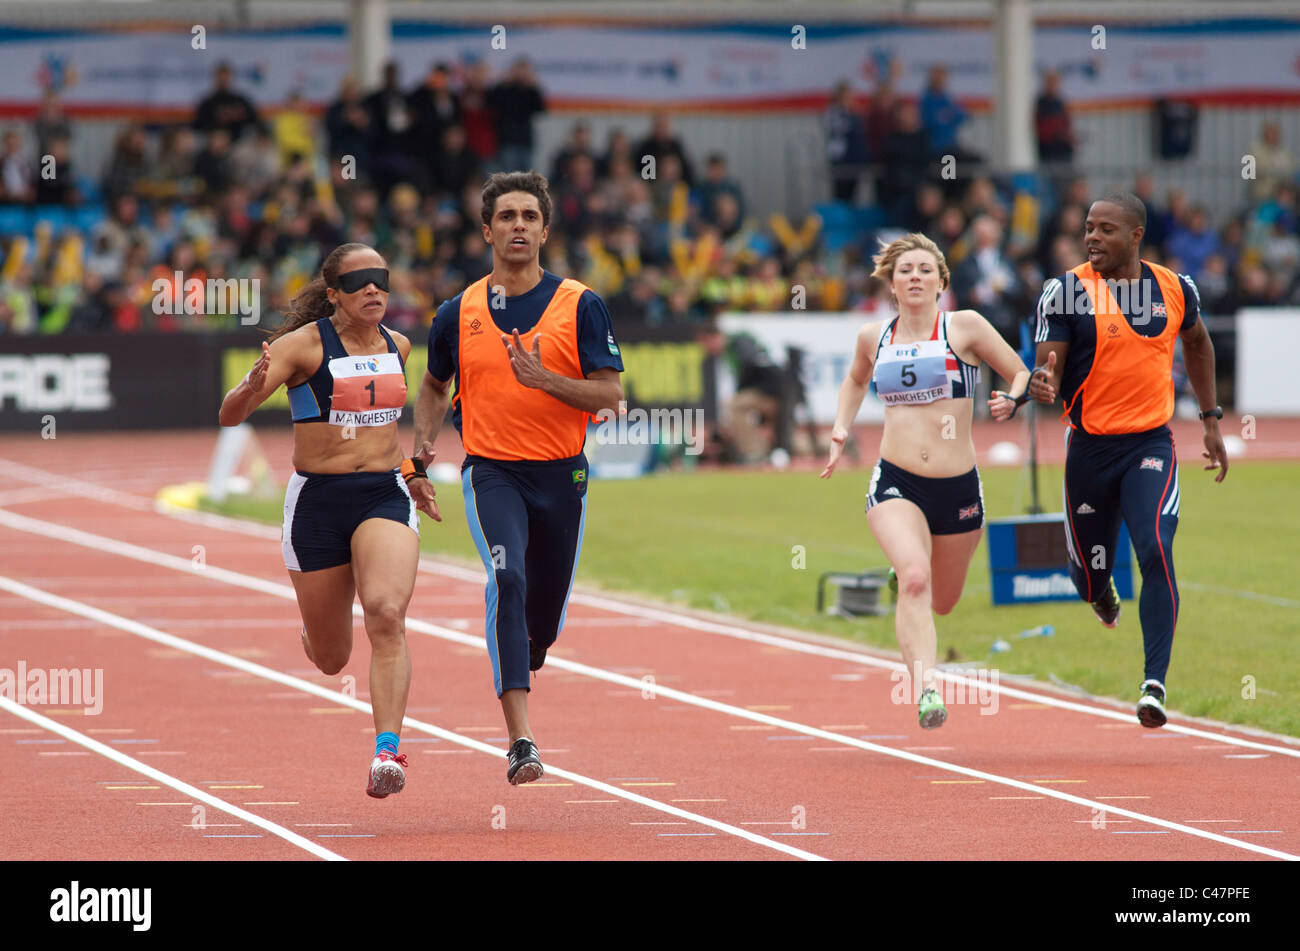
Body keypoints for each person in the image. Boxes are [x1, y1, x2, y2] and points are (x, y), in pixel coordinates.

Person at [413, 171, 624, 784]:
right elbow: (432, 386)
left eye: (529, 217)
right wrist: (422, 453)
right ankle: (522, 740)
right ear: (487, 230)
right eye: (507, 217)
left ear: (545, 229)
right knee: (507, 576)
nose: (519, 227)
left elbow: (611, 398)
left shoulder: (579, 305)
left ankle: (529, 652)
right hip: (491, 471)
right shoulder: (458, 312)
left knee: (544, 618)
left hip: (562, 476)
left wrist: (547, 382)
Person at [218, 242, 440, 797]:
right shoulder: (302, 347)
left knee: (386, 614)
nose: (374, 290)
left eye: (381, 280)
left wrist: (412, 473)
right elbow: (229, 415)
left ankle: (387, 752)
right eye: (360, 281)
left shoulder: (400, 346)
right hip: (317, 501)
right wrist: (252, 382)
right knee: (332, 657)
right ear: (334, 293)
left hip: (381, 496)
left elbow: (387, 430)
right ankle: (314, 631)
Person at [1029, 192, 1228, 728]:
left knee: (1156, 549)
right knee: (1090, 576)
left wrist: (1211, 420)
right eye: (1089, 228)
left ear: (1136, 236)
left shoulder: (1174, 289)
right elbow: (1050, 362)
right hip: (1089, 451)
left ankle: (1154, 684)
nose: (1092, 237)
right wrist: (1042, 380)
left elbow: (1200, 346)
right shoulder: (1066, 293)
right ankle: (1100, 592)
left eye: (1107, 229)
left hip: (1149, 446)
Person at [821, 233, 1030, 728]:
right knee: (916, 577)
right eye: (905, 270)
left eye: (924, 270)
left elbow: (1019, 372)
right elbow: (854, 379)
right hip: (897, 481)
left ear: (941, 281)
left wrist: (1012, 399)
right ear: (891, 284)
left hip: (957, 488)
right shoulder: (875, 336)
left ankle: (910, 581)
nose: (914, 277)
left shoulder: (965, 327)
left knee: (944, 600)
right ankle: (928, 691)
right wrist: (841, 427)